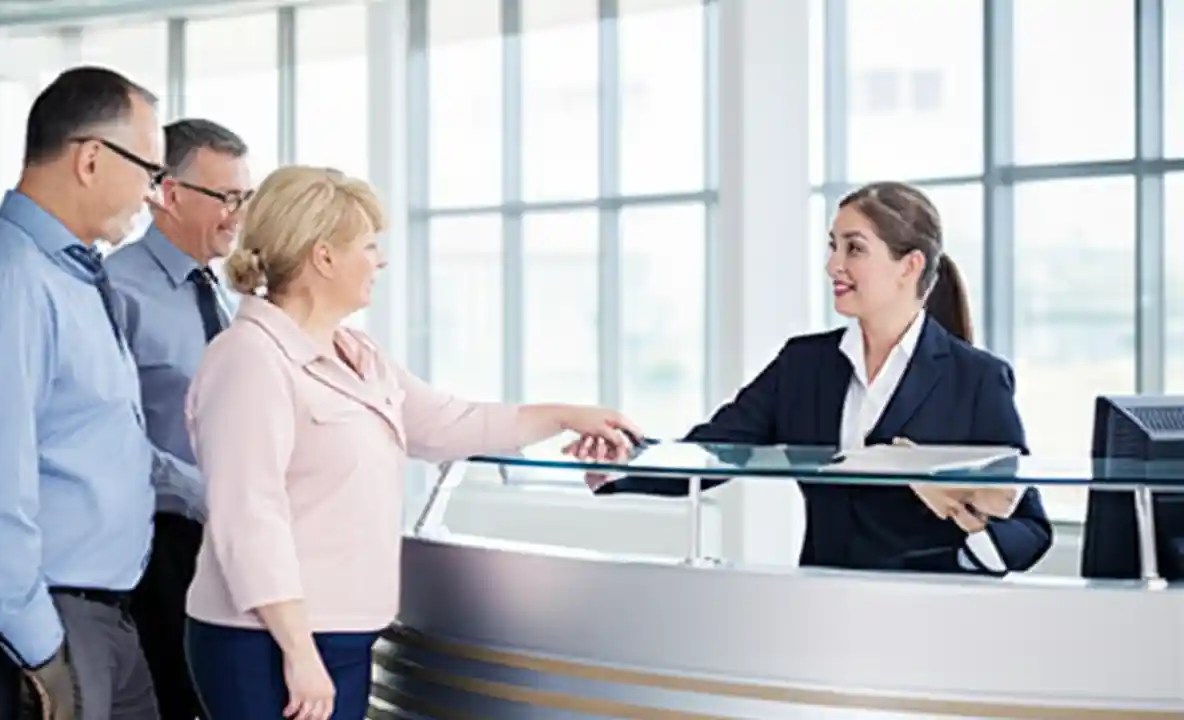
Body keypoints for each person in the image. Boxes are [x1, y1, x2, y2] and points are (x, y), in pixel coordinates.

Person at [182, 166, 640, 720]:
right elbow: (248, 515)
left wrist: (568, 415)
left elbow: (450, 423)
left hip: (342, 636)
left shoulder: (358, 353)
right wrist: (298, 650)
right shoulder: (250, 358)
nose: (381, 260)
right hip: (267, 641)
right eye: (369, 245)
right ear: (323, 257)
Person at [582, 181, 1053, 575]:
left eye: (854, 249)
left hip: (928, 619)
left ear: (909, 266)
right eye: (833, 246)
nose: (833, 265)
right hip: (819, 612)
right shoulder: (804, 366)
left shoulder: (976, 378)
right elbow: (713, 451)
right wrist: (621, 466)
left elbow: (1029, 527)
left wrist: (970, 557)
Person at [0, 66, 200, 720]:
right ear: (92, 159)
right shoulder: (9, 281)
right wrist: (43, 654)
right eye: (151, 173)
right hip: (48, 624)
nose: (154, 196)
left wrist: (222, 500)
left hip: (106, 618)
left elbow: (105, 449)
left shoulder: (70, 278)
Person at [105, 117, 252, 720]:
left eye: (246, 197)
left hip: (227, 539)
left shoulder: (224, 293)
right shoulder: (116, 291)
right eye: (227, 198)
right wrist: (206, 493)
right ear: (168, 193)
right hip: (158, 547)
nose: (238, 215)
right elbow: (108, 438)